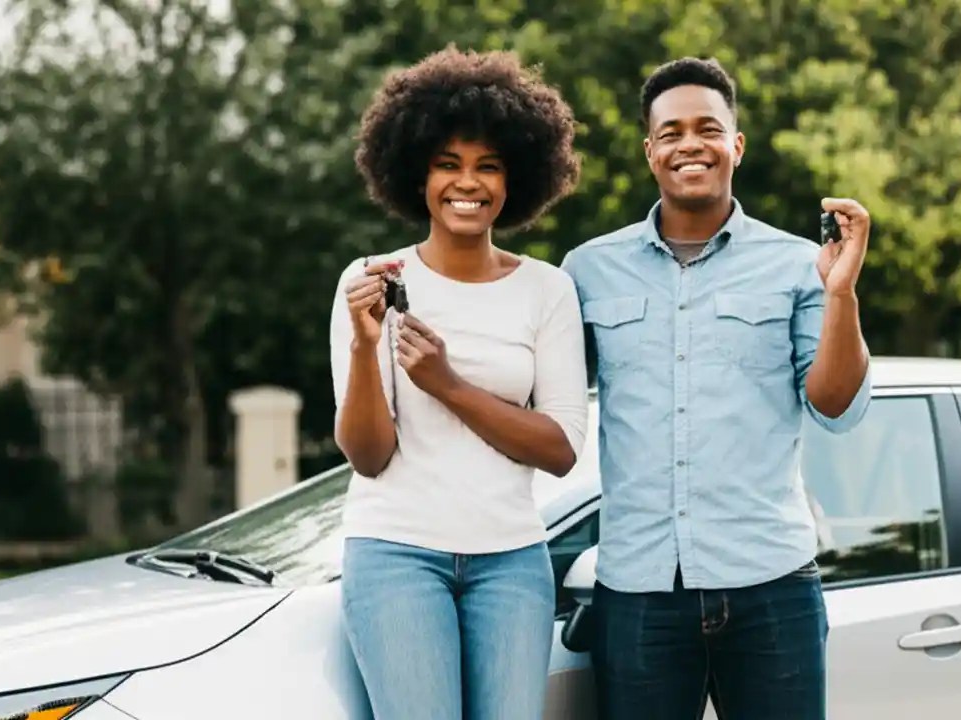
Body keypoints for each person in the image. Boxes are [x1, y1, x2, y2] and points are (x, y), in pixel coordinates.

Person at [560, 57, 874, 719]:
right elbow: (548, 418)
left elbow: (836, 405)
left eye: (708, 127)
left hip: (772, 591)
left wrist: (839, 292)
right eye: (670, 132)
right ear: (650, 152)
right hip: (638, 594)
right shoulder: (588, 270)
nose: (690, 144)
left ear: (736, 144)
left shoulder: (797, 265)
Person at [328, 46, 587, 720]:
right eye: (447, 164)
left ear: (516, 180)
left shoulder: (547, 290)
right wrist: (364, 347)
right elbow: (368, 455)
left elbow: (560, 449)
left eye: (487, 167)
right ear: (416, 174)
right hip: (396, 556)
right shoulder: (371, 281)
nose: (466, 184)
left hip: (511, 562)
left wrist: (448, 384)